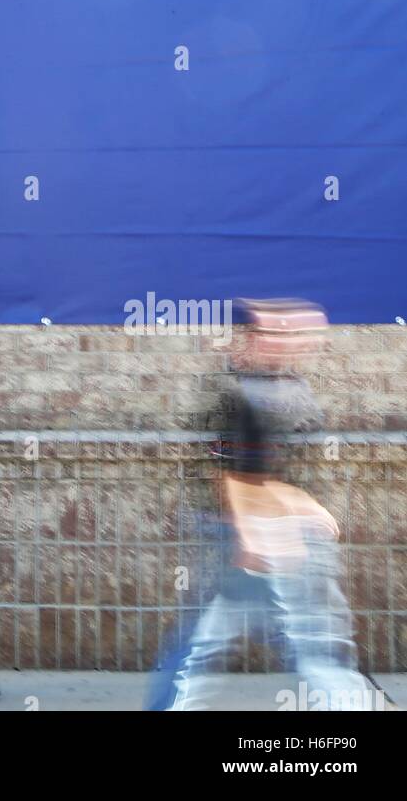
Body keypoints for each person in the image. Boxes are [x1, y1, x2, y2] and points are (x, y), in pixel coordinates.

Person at [156, 300, 375, 712]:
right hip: (254, 535)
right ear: (259, 337)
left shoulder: (277, 385)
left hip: (269, 534)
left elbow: (259, 468)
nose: (300, 345)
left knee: (207, 642)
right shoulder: (241, 392)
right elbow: (235, 473)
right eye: (286, 334)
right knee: (310, 647)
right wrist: (259, 531)